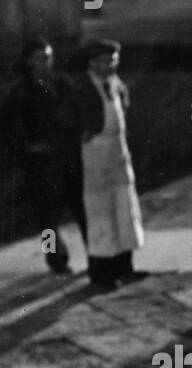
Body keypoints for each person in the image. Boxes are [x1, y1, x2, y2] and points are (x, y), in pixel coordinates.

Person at [3, 39, 86, 274]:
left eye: (48, 57)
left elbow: (79, 112)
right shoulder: (20, 93)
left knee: (83, 210)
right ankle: (56, 259)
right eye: (39, 58)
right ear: (29, 61)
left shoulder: (65, 84)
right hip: (41, 165)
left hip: (68, 160)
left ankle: (96, 254)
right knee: (47, 221)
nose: (44, 63)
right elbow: (12, 129)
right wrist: (29, 148)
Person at [77, 39, 144, 290]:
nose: (111, 66)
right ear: (93, 62)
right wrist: (81, 132)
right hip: (94, 152)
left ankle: (124, 266)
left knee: (124, 207)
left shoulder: (116, 84)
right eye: (106, 61)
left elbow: (121, 111)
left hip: (118, 151)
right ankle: (101, 273)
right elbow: (66, 117)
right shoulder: (81, 87)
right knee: (100, 212)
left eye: (114, 61)